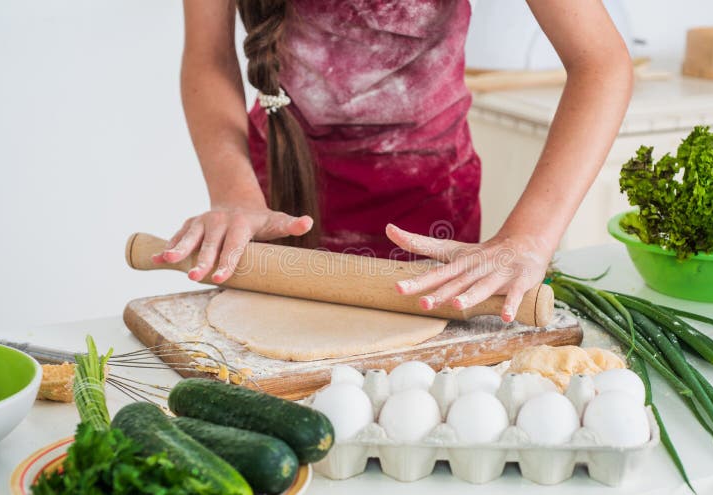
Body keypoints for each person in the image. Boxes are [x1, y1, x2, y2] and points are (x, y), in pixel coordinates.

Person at [153, 0, 633, 323]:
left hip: (433, 216)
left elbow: (601, 64)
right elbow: (208, 56)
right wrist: (234, 195)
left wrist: (529, 238)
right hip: (275, 208)